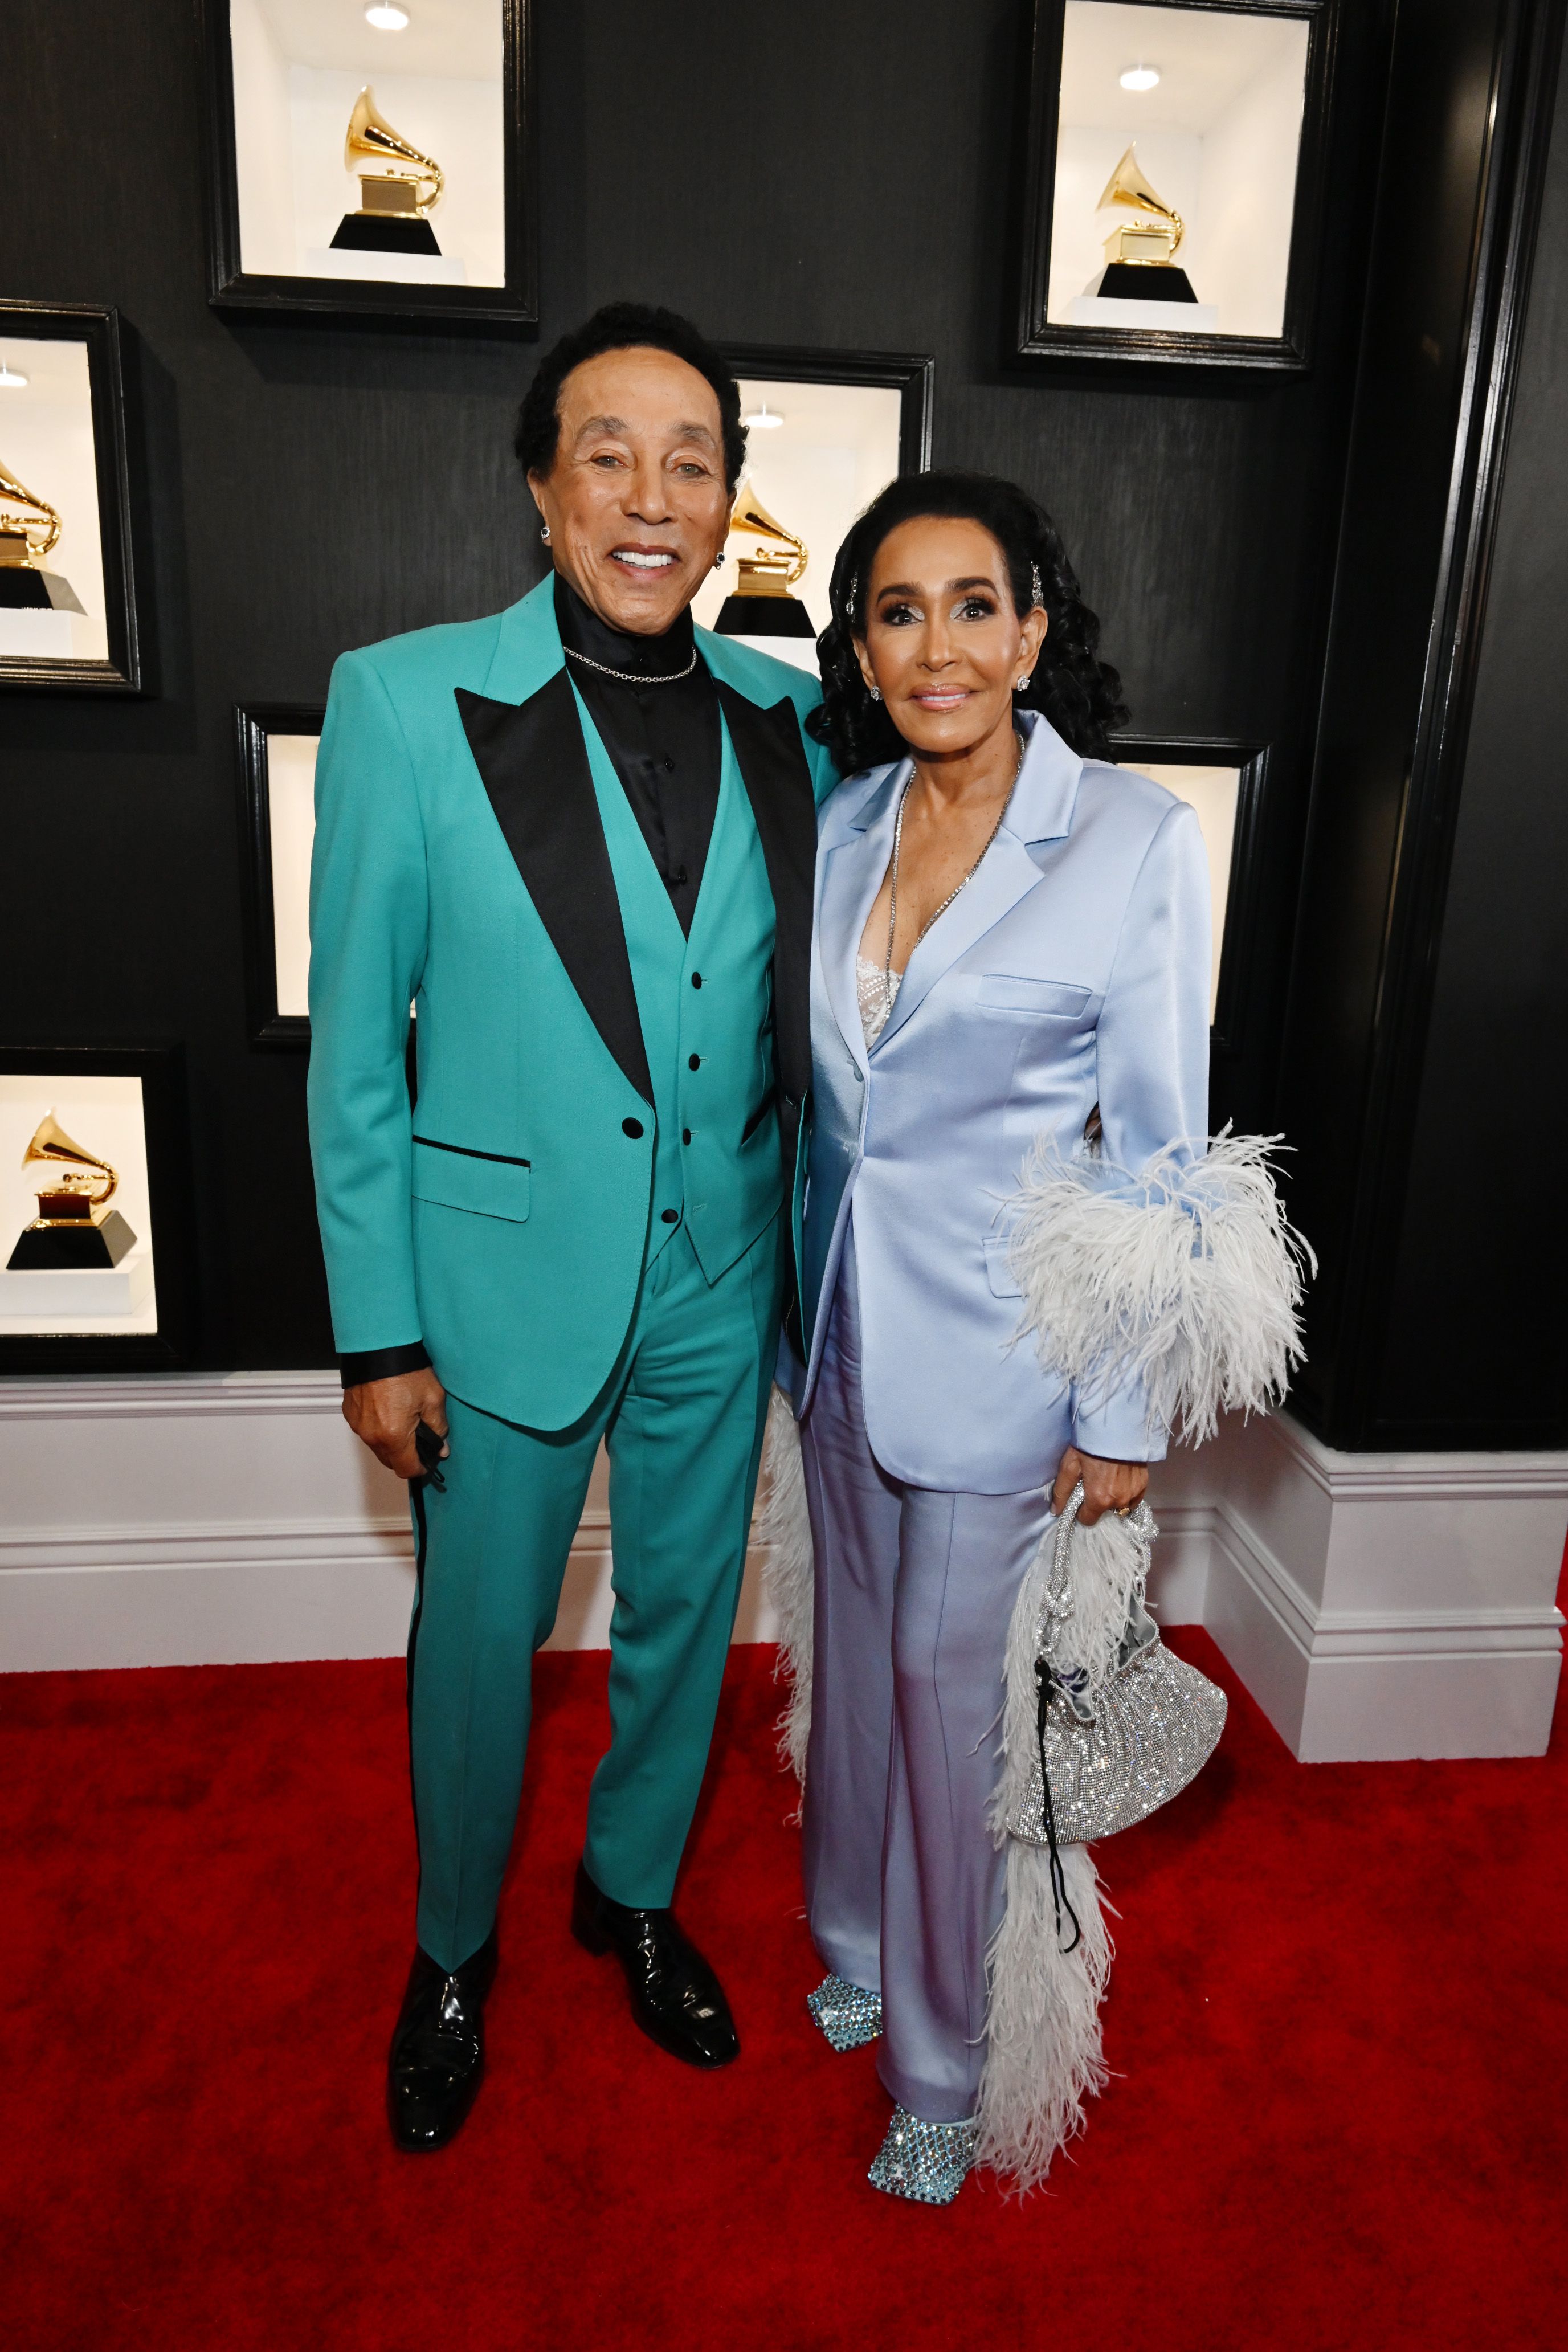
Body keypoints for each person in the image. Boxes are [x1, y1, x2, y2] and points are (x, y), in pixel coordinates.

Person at [307, 303, 838, 2151]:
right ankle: (454, 1951)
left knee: (689, 1609)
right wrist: (379, 1329)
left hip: (721, 1268)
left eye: (693, 462)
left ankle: (628, 1896)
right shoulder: (401, 699)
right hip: (494, 1283)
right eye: (608, 452)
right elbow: (354, 1052)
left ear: (728, 511)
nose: (652, 495)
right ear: (543, 488)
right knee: (479, 1634)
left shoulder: (794, 721)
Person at [775, 470, 1303, 2203]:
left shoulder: (1136, 841)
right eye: (898, 611)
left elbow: (1162, 1151)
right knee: (849, 1669)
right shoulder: (846, 818)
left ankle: (944, 2060)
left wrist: (1127, 1407)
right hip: (836, 1332)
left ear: (1033, 627)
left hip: (1008, 1370)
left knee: (950, 1716)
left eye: (973, 605)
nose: (939, 646)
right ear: (859, 643)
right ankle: (850, 1938)